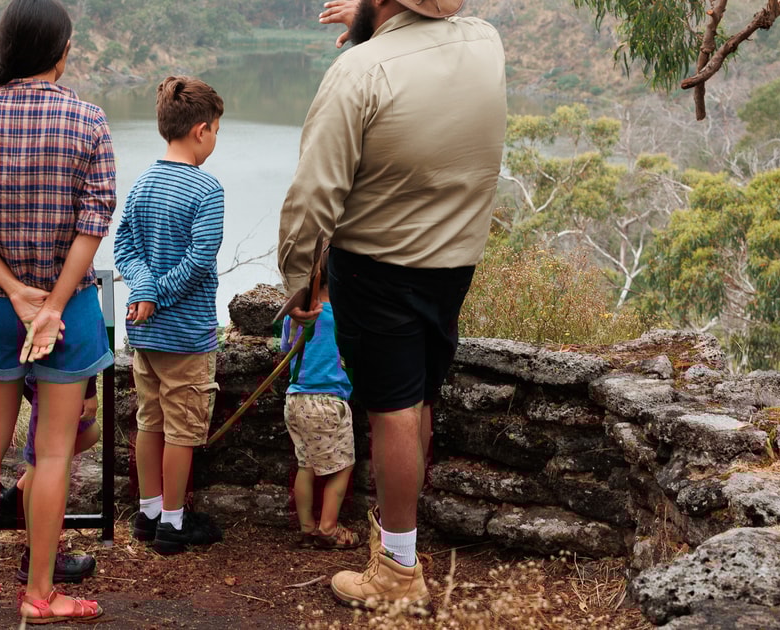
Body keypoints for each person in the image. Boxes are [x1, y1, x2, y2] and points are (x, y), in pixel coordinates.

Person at [277, 0, 507, 612]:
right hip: (455, 261)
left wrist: (299, 280)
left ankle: (398, 573)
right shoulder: (486, 45)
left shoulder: (360, 71)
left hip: (380, 265)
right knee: (422, 394)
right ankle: (403, 542)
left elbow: (314, 195)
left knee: (393, 411)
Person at [0, 0, 114, 622]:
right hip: (70, 313)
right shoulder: (88, 121)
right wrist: (54, 304)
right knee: (56, 452)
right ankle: (40, 594)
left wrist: (11, 288)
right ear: (60, 52)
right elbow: (94, 221)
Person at [113, 76, 226, 556]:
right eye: (217, 130)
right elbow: (201, 260)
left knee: (150, 421)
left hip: (145, 332)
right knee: (182, 428)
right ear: (200, 130)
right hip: (186, 335)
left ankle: (149, 512)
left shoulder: (143, 183)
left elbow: (123, 246)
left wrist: (144, 289)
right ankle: (173, 525)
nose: (216, 139)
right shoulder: (208, 189)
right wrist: (157, 293)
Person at [0, 373, 101, 585]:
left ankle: (12, 502)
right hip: (58, 367)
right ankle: (39, 561)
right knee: (48, 458)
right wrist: (90, 388)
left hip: (32, 363)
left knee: (85, 435)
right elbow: (80, 339)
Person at [279, 253, 361, 550]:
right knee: (343, 467)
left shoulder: (297, 313)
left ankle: (307, 527)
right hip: (327, 401)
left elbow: (286, 348)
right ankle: (328, 528)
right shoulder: (342, 315)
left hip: (296, 399)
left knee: (307, 465)